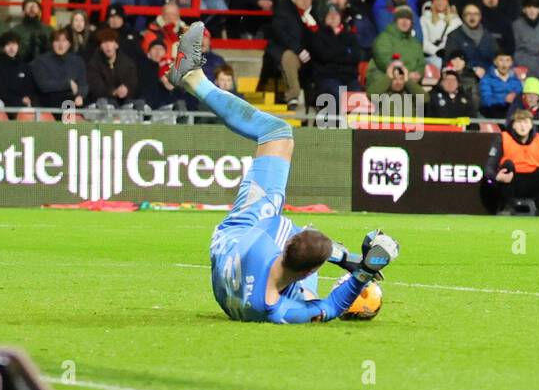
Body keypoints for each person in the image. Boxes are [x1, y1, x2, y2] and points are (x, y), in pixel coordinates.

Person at [167, 22, 400, 323]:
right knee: (307, 300)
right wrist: (363, 273)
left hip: (238, 235)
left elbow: (301, 241)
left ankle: (193, 77)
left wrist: (350, 260)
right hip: (227, 286)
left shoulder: (271, 235)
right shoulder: (275, 310)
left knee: (277, 133)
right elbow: (328, 309)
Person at [483, 109, 539, 216]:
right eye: (519, 122)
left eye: (526, 122)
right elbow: (488, 168)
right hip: (512, 181)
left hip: (533, 182)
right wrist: (497, 177)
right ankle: (507, 207)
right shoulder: (502, 138)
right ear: (513, 125)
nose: (522, 126)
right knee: (507, 165)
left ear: (531, 125)